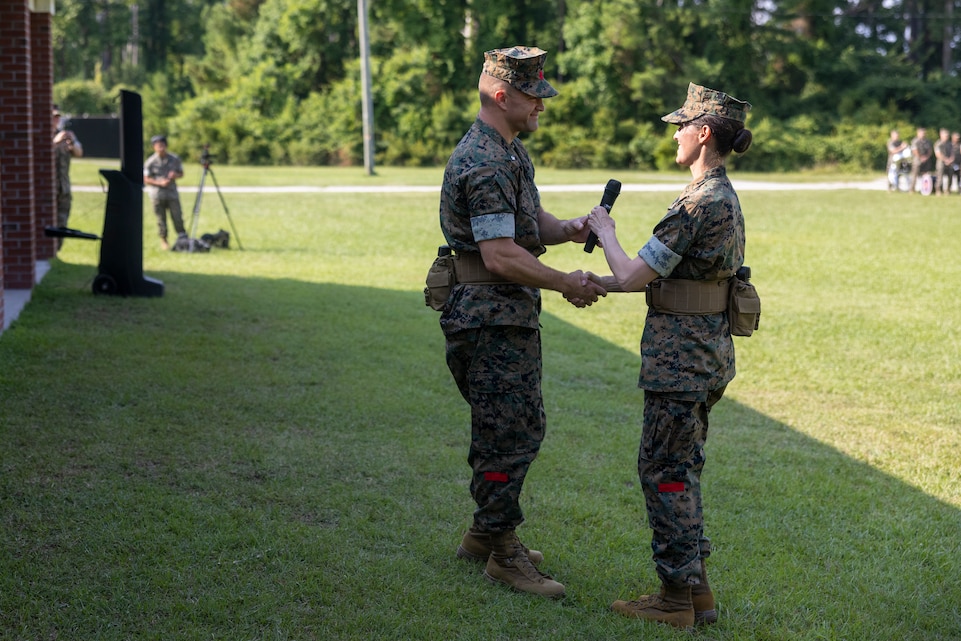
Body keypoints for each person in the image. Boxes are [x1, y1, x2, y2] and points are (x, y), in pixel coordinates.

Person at [438, 46, 606, 599]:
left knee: (515, 425)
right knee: (506, 432)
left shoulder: (508, 153)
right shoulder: (484, 160)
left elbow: (530, 222)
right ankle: (504, 553)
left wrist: (571, 227)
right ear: (501, 95)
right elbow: (501, 255)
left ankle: (482, 537)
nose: (542, 105)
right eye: (534, 95)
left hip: (503, 317)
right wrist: (567, 282)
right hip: (488, 319)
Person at [586, 83, 753, 629]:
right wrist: (591, 281)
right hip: (706, 357)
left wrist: (605, 231)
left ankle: (674, 597)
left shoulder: (698, 202)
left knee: (664, 471)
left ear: (704, 133)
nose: (676, 134)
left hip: (679, 361)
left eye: (682, 126)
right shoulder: (724, 196)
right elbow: (663, 279)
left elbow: (635, 275)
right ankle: (696, 590)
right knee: (683, 467)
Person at [143, 135, 187, 250]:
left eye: (162, 145)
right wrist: (159, 183)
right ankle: (164, 240)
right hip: (157, 194)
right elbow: (146, 179)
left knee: (177, 216)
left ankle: (182, 238)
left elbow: (181, 173)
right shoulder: (150, 162)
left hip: (172, 193)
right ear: (154, 147)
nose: (161, 148)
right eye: (158, 146)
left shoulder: (174, 159)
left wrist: (175, 175)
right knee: (161, 219)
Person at [52, 105, 83, 240]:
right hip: (50, 187)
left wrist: (73, 141)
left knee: (62, 220)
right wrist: (55, 141)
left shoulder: (64, 135)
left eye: (58, 117)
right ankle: (48, 250)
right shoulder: (43, 135)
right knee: (49, 219)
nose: (56, 120)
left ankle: (57, 250)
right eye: (54, 117)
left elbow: (79, 153)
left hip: (64, 187)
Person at [909, 127, 933, 194]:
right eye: (921, 133)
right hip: (917, 159)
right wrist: (920, 157)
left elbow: (930, 150)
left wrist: (926, 157)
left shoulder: (927, 141)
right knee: (915, 174)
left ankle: (925, 190)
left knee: (926, 175)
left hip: (926, 159)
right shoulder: (915, 141)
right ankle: (912, 189)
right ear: (918, 133)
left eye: (924, 133)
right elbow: (914, 150)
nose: (923, 134)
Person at [934, 128, 954, 195]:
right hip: (941, 162)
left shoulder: (950, 144)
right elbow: (938, 154)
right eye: (945, 135)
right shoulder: (938, 143)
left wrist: (950, 160)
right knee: (939, 176)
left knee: (950, 175)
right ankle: (938, 190)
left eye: (948, 136)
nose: (947, 137)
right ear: (941, 135)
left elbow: (952, 153)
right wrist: (945, 160)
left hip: (949, 162)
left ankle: (948, 190)